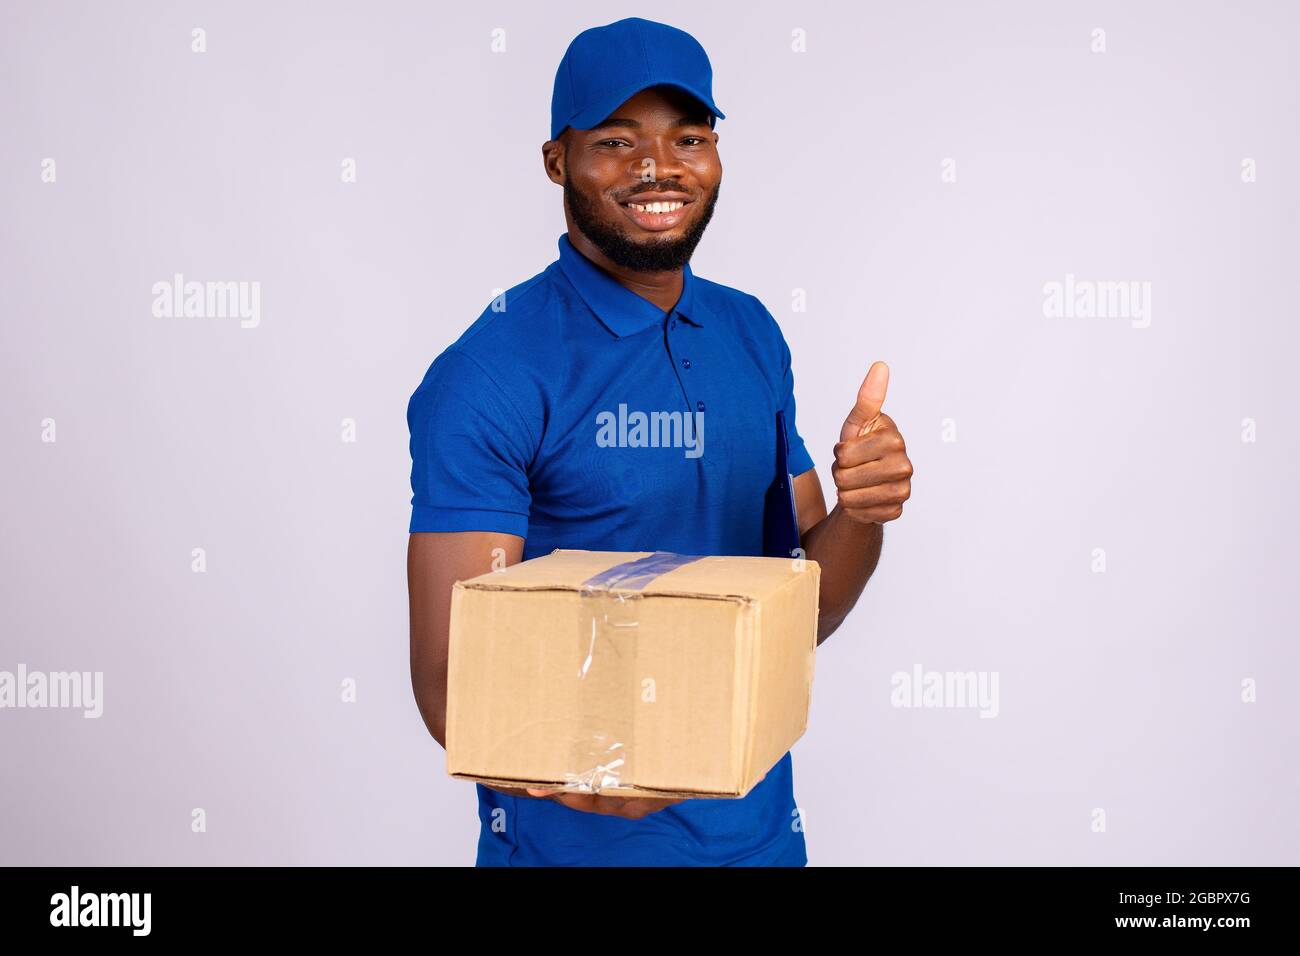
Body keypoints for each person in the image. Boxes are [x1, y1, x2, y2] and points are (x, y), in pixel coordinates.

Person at [406, 17, 913, 866]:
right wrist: (612, 765)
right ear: (555, 161)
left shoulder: (749, 332)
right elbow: (452, 687)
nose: (658, 167)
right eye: (615, 139)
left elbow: (802, 607)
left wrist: (864, 510)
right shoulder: (492, 369)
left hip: (760, 842)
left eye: (689, 136)